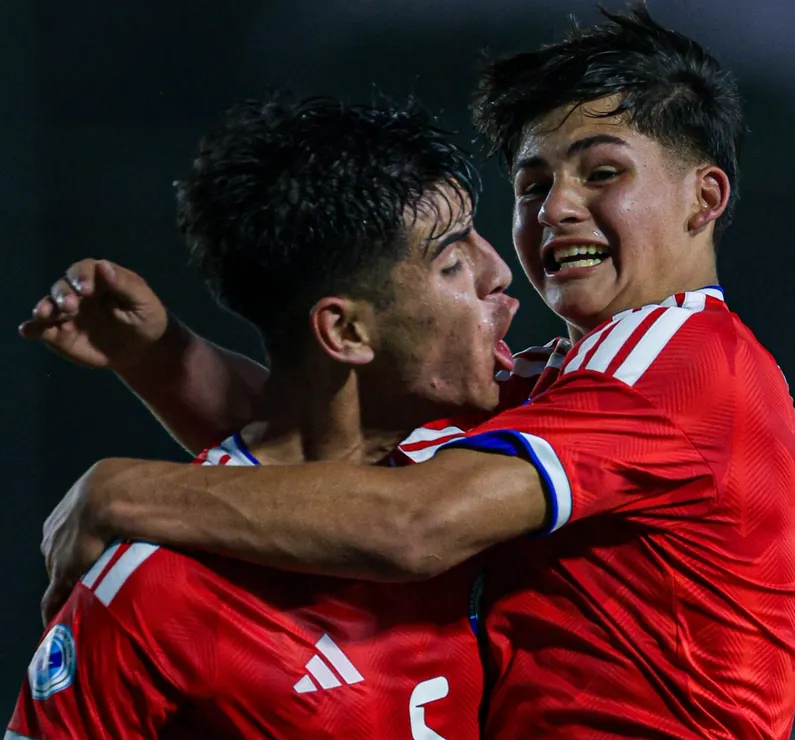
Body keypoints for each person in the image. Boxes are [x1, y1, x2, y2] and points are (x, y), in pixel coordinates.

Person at [33, 5, 795, 738]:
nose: (555, 209)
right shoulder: (574, 383)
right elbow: (342, 441)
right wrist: (163, 359)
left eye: (602, 172)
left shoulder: (675, 368)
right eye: (533, 184)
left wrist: (121, 492)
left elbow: (415, 521)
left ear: (704, 196)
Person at [10, 94, 525, 738]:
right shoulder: (151, 592)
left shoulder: (496, 465)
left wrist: (161, 372)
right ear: (345, 331)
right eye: (452, 261)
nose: (498, 271)